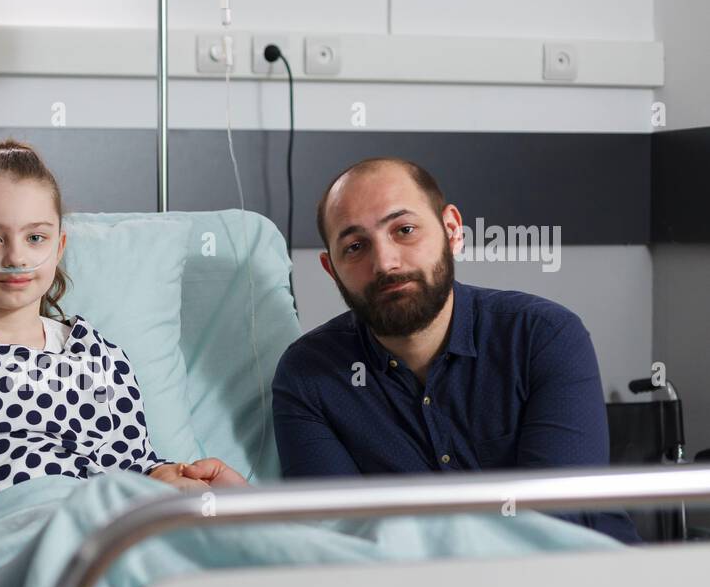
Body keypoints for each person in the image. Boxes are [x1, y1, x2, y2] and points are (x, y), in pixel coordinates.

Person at [0, 138, 246, 540]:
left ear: (59, 247)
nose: (17, 257)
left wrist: (171, 477)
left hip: (90, 530)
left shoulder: (98, 356)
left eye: (35, 238)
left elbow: (130, 465)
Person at [271, 156, 638, 544]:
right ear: (332, 269)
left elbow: (554, 528)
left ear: (452, 230)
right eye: (356, 246)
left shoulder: (543, 337)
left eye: (405, 230)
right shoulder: (307, 376)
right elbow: (337, 540)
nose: (385, 262)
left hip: (583, 585)